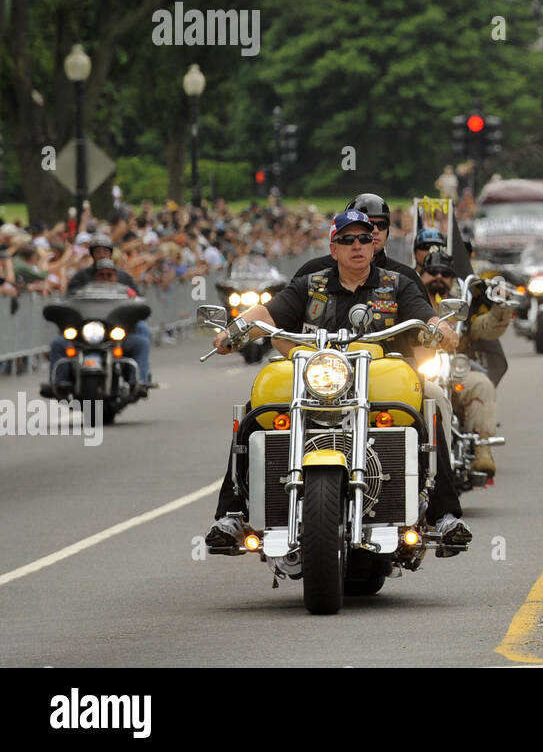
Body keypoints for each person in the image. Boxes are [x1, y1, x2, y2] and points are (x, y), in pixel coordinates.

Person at [205, 210, 471, 556]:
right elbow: (268, 313)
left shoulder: (397, 283)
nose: (357, 245)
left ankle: (444, 513)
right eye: (347, 239)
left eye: (364, 238)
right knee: (255, 410)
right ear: (334, 248)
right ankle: (233, 513)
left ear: (374, 244)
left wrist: (442, 329)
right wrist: (234, 330)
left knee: (430, 401)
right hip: (318, 377)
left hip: (382, 379)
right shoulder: (310, 284)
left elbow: (425, 314)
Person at [420, 246, 512, 476]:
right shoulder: (411, 300)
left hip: (455, 372)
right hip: (418, 371)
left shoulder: (462, 305)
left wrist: (500, 306)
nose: (439, 277)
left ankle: (482, 449)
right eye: (432, 271)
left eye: (445, 272)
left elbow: (487, 328)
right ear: (422, 274)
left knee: (481, 384)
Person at [44, 232, 151, 392]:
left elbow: (138, 299)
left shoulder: (124, 278)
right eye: (101, 275)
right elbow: (67, 299)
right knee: (58, 344)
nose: (106, 277)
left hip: (115, 331)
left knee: (141, 341)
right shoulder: (81, 277)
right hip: (86, 331)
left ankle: (139, 380)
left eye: (110, 275)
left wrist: (135, 303)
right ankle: (60, 382)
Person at [293, 193, 420, 286]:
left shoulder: (406, 277)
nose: (375, 230)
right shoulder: (313, 271)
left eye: (382, 225)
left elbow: (426, 319)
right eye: (368, 225)